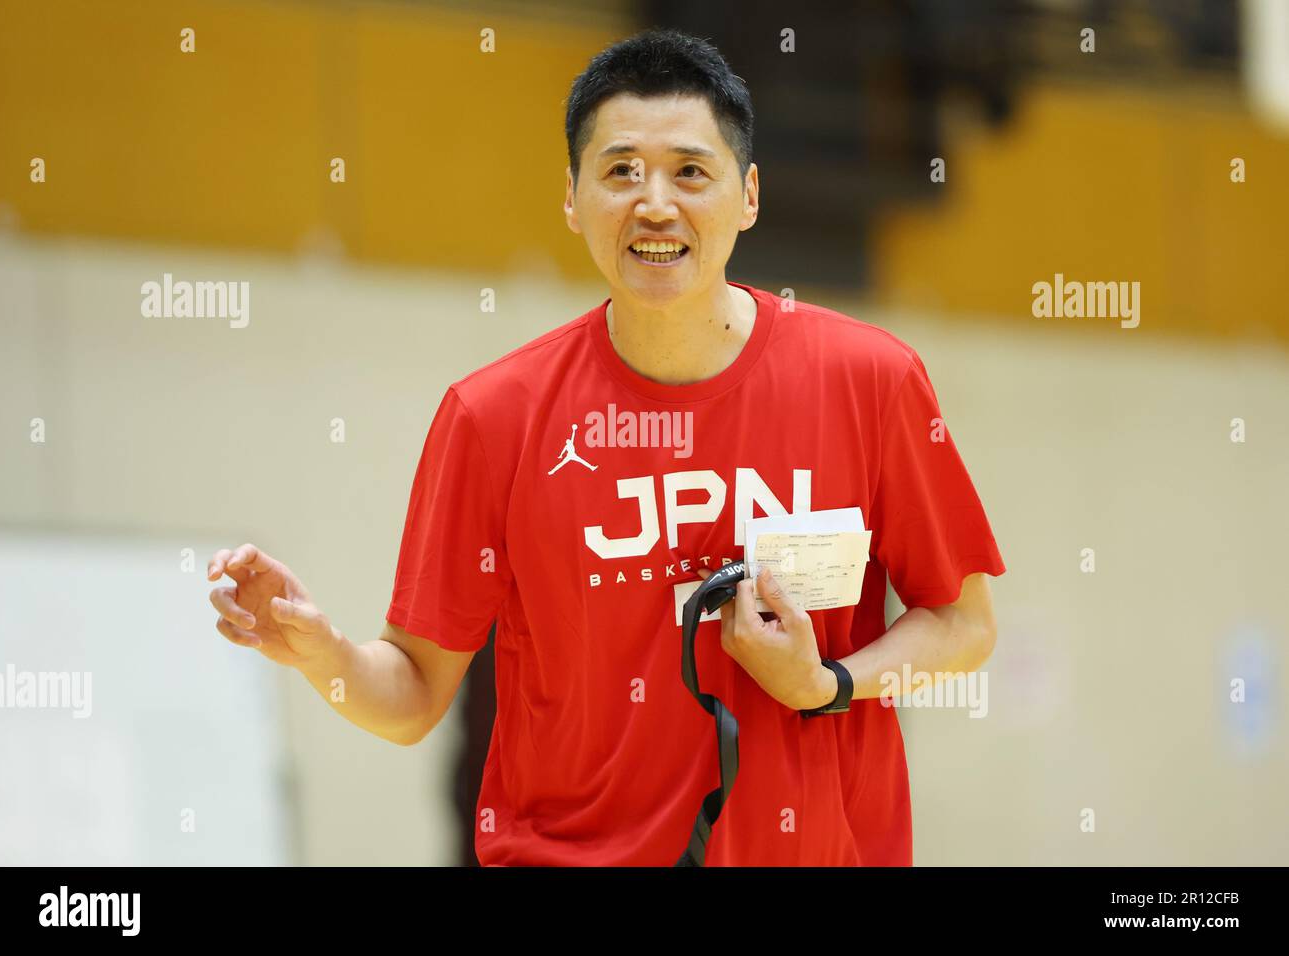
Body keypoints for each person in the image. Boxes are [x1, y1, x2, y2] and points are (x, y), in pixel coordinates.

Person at [206, 28, 1005, 866]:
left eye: (691, 171)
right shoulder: (494, 417)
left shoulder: (870, 382)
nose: (654, 203)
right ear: (572, 197)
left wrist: (828, 684)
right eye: (621, 170)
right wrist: (322, 654)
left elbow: (962, 624)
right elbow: (411, 695)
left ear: (750, 196)